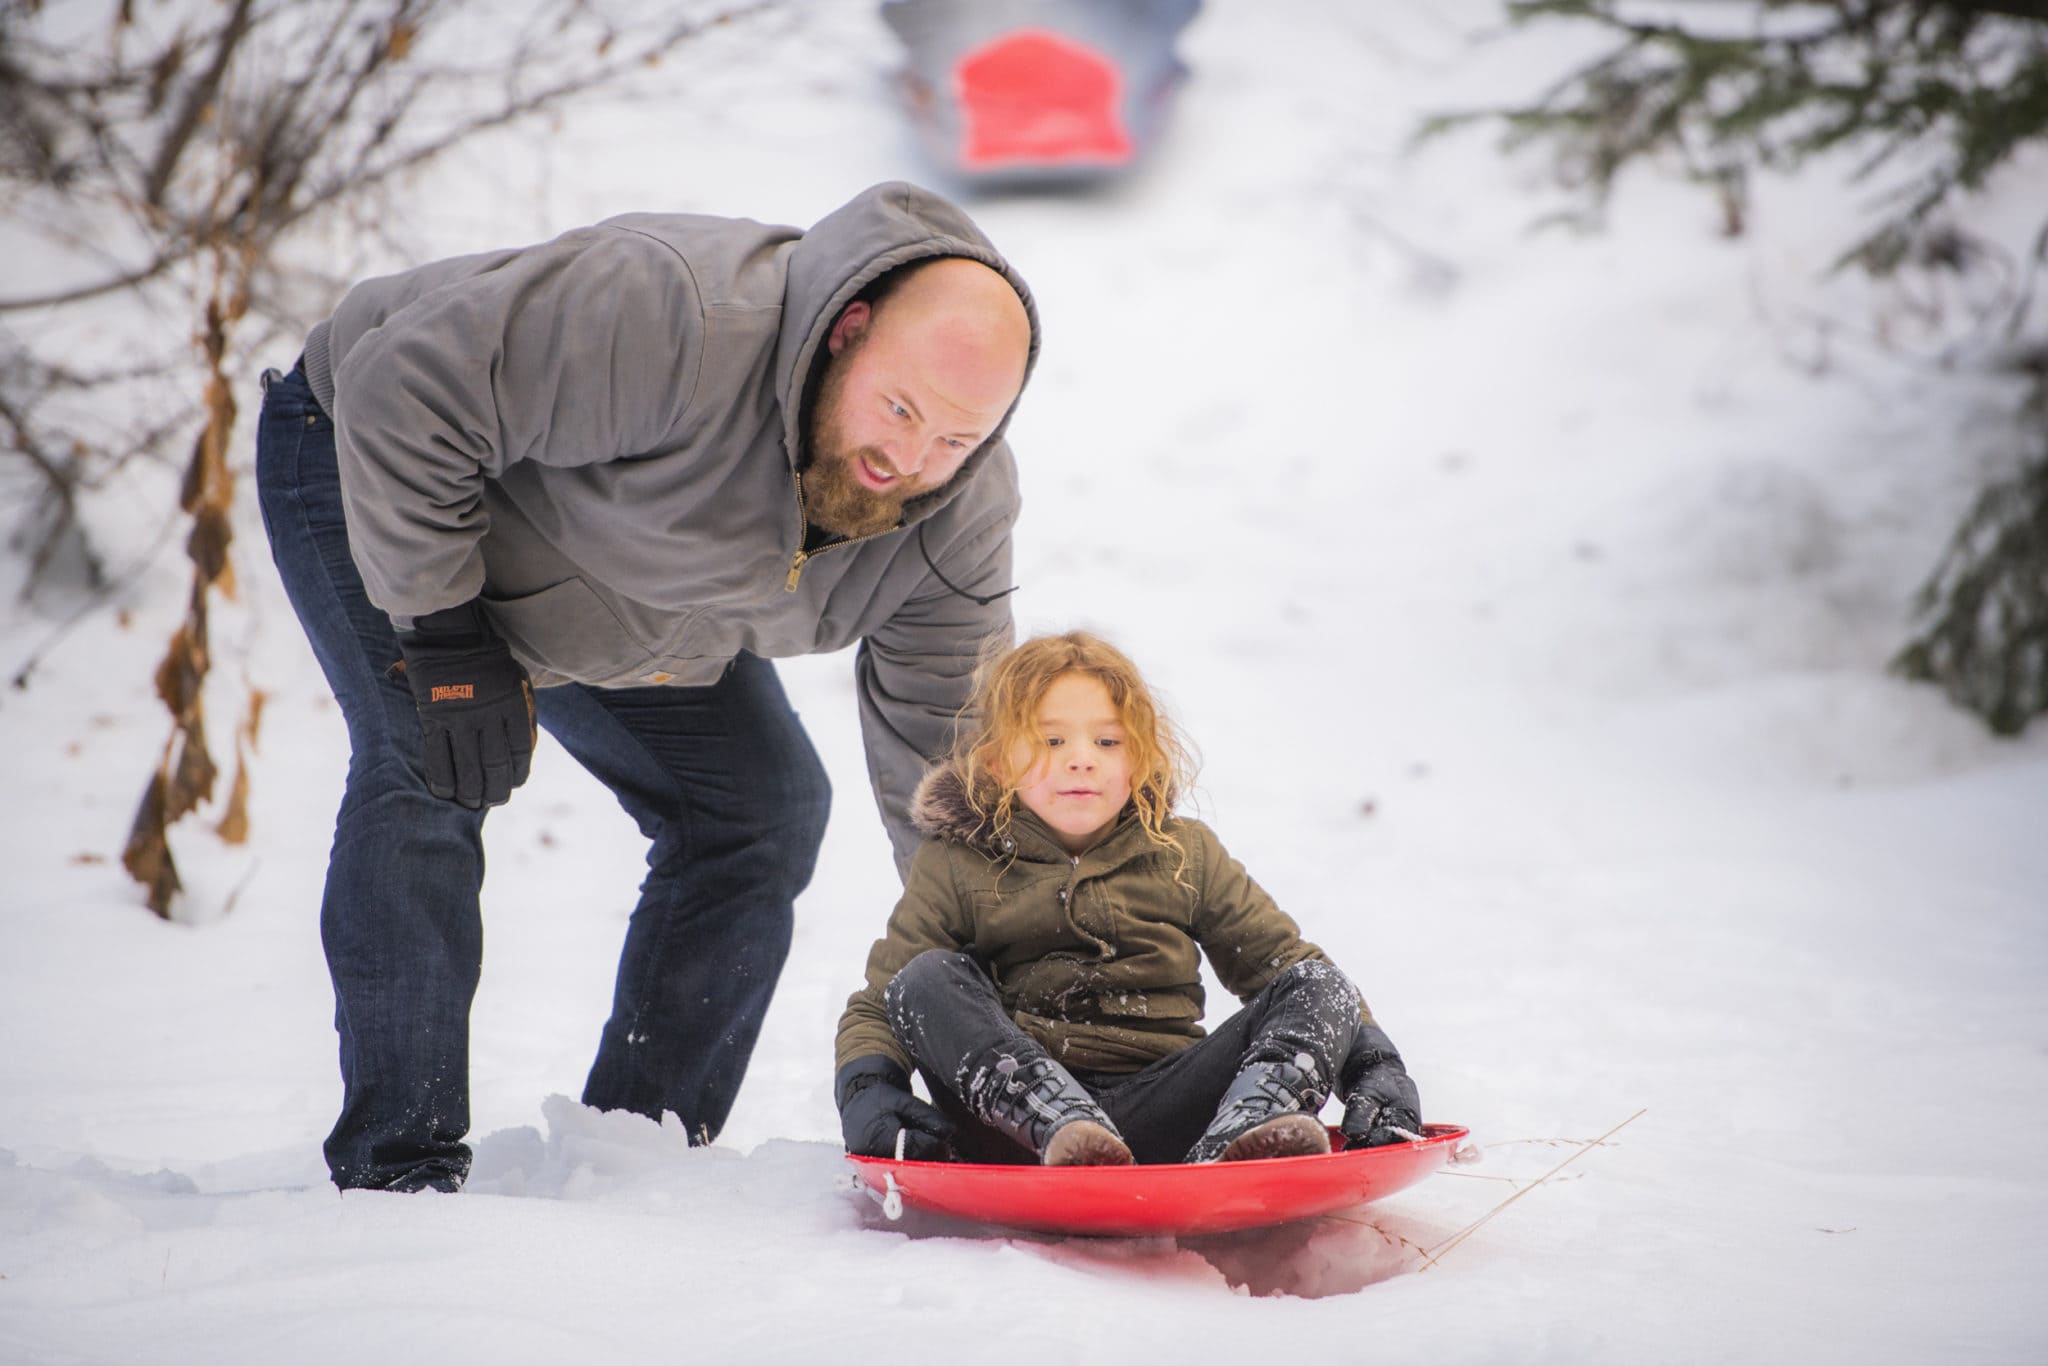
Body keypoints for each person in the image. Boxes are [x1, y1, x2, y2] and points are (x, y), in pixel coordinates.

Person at [254, 181, 1038, 1193]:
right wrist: (444, 637)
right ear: (846, 331)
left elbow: (951, 777)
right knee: (428, 763)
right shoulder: (673, 316)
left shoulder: (954, 520)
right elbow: (404, 387)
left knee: (758, 809)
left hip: (624, 592)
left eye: (954, 440)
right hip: (372, 459)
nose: (910, 460)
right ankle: (398, 1175)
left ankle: (632, 1154)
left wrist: (1015, 984)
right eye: (899, 408)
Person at [834, 631, 1422, 1166]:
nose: (1081, 756)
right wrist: (869, 1091)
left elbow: (1283, 962)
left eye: (1108, 740)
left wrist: (1376, 1067)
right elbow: (881, 1002)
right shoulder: (959, 862)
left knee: (1318, 983)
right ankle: (1064, 1125)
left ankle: (1247, 1131)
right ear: (996, 763)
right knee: (923, 979)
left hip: (1170, 1108)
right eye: (1051, 739)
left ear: (1137, 758)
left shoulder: (1183, 853)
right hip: (1017, 1121)